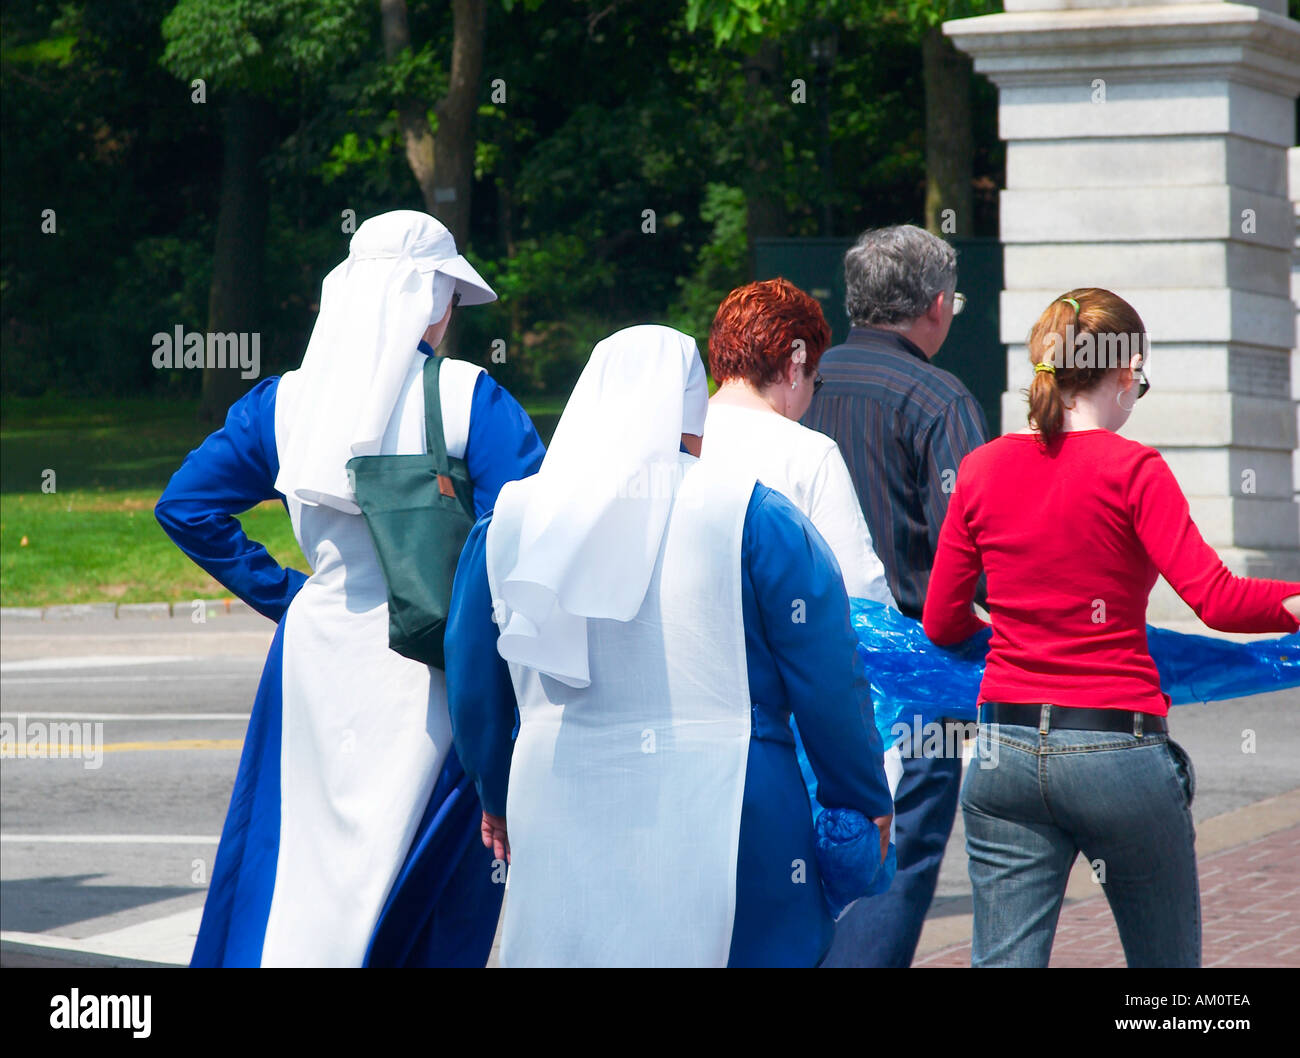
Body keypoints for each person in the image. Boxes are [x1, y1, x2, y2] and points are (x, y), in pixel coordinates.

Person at [155, 210, 545, 967]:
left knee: (296, 864)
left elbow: (187, 506)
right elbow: (532, 538)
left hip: (313, 660)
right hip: (438, 667)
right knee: (423, 877)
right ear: (431, 299)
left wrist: (290, 594)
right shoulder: (473, 398)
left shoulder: (283, 401)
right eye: (452, 301)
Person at [444, 325, 894, 967]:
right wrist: (862, 797)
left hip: (559, 792)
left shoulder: (506, 524)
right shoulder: (754, 514)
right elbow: (828, 674)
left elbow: (473, 688)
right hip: (737, 797)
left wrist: (495, 795)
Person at [923, 287, 1300, 967]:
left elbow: (942, 620)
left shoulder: (981, 469)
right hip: (1113, 748)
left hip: (1003, 747)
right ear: (1125, 374)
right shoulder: (1135, 471)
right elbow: (1216, 600)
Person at [802, 223, 988, 967]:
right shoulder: (940, 399)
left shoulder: (792, 383)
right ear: (937, 305)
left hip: (796, 658)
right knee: (896, 852)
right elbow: (973, 542)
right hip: (914, 669)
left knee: (802, 844)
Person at [702, 278, 893, 606]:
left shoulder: (676, 437)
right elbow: (862, 593)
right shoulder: (810, 454)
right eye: (814, 380)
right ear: (794, 369)